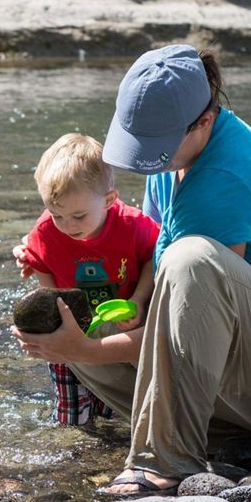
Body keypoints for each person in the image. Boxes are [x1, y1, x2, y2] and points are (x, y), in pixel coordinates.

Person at [12, 44, 251, 498]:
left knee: (191, 258)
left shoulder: (224, 176)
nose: (146, 156)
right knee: (80, 316)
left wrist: (83, 350)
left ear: (203, 122)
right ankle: (224, 439)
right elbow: (152, 290)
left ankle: (164, 461)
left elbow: (187, 315)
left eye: (155, 145)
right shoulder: (170, 160)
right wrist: (55, 264)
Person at [22, 133, 160, 426]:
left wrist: (138, 300)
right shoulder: (47, 229)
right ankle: (73, 434)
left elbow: (153, 257)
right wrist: (55, 307)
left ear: (109, 200)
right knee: (71, 413)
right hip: (74, 325)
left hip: (123, 320)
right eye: (57, 215)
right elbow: (39, 261)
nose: (66, 226)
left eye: (78, 216)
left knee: (117, 402)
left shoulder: (132, 225)